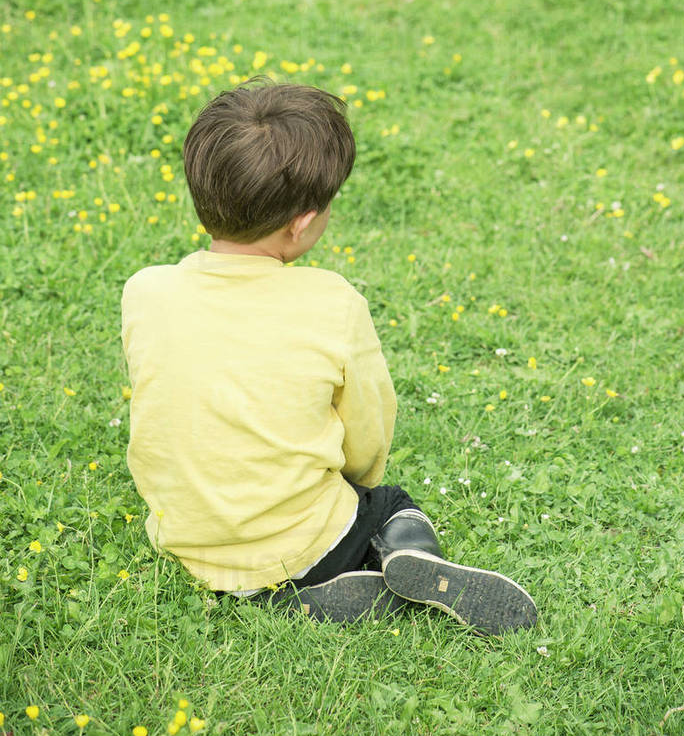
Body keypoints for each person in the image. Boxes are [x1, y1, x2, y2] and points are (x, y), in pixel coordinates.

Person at [121, 79, 536, 635]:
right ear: (301, 223)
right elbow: (366, 429)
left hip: (188, 543)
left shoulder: (145, 292)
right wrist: (355, 486)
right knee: (386, 503)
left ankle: (276, 596)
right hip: (309, 544)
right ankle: (399, 558)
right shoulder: (332, 303)